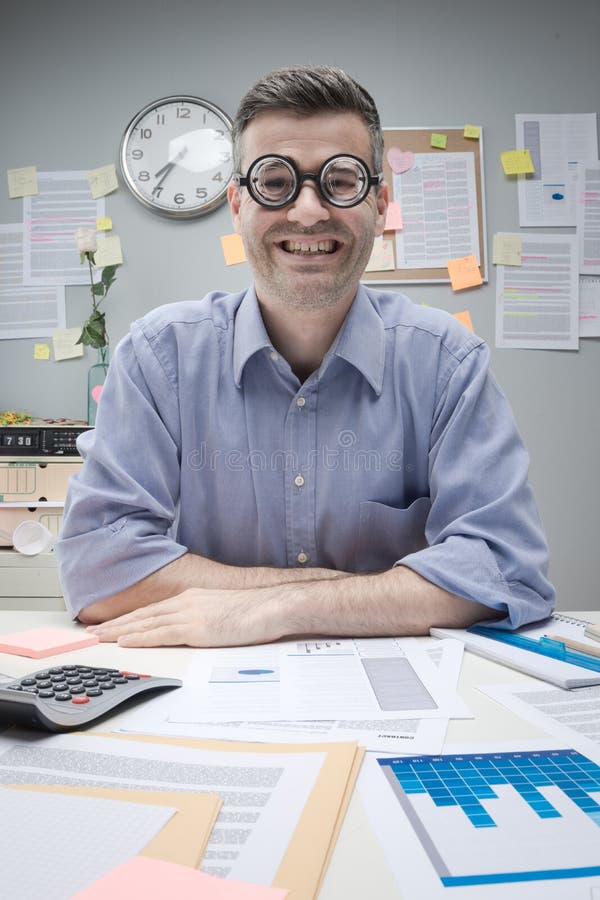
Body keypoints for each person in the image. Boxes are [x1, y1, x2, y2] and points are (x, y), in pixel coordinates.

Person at [55, 65, 555, 648]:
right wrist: (360, 595)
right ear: (237, 203)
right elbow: (98, 566)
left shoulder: (447, 365)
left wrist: (281, 608)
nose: (309, 210)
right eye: (275, 181)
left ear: (379, 203)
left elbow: (504, 569)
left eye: (341, 181)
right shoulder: (157, 357)